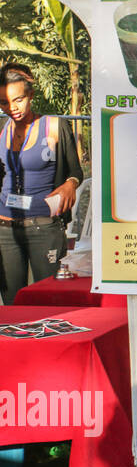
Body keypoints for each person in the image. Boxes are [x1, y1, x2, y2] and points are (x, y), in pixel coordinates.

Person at [0, 63, 83, 303]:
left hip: (44, 228)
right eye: (4, 102)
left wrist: (71, 183)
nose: (11, 108)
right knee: (12, 303)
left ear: (31, 95)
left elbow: (75, 170)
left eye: (18, 100)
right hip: (5, 230)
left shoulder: (54, 126)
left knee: (48, 301)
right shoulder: (1, 129)